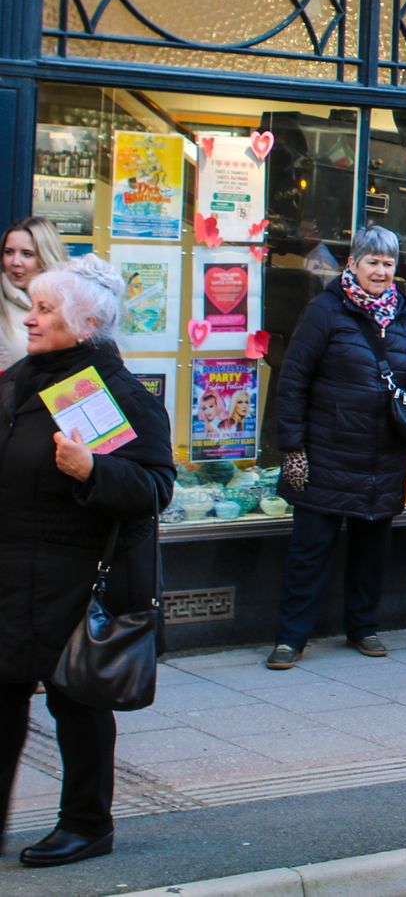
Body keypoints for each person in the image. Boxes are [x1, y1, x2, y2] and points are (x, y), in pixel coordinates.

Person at [0, 256, 174, 867]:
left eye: (47, 309)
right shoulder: (19, 380)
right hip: (10, 571)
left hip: (74, 580)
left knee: (75, 703)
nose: (32, 317)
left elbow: (154, 487)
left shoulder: (108, 392)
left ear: (87, 322)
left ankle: (85, 824)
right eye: (34, 305)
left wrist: (94, 471)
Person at [266, 225, 406, 669]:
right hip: (326, 452)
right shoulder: (324, 311)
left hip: (382, 457)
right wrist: (293, 448)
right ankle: (291, 638)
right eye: (372, 262)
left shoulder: (405, 317)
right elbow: (294, 381)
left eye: (387, 264)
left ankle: (363, 627)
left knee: (371, 554)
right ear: (353, 264)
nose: (380, 272)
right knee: (310, 552)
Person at [1, 215, 68, 374]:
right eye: (9, 252)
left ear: (46, 256)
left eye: (27, 254)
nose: (15, 262)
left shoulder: (71, 303)